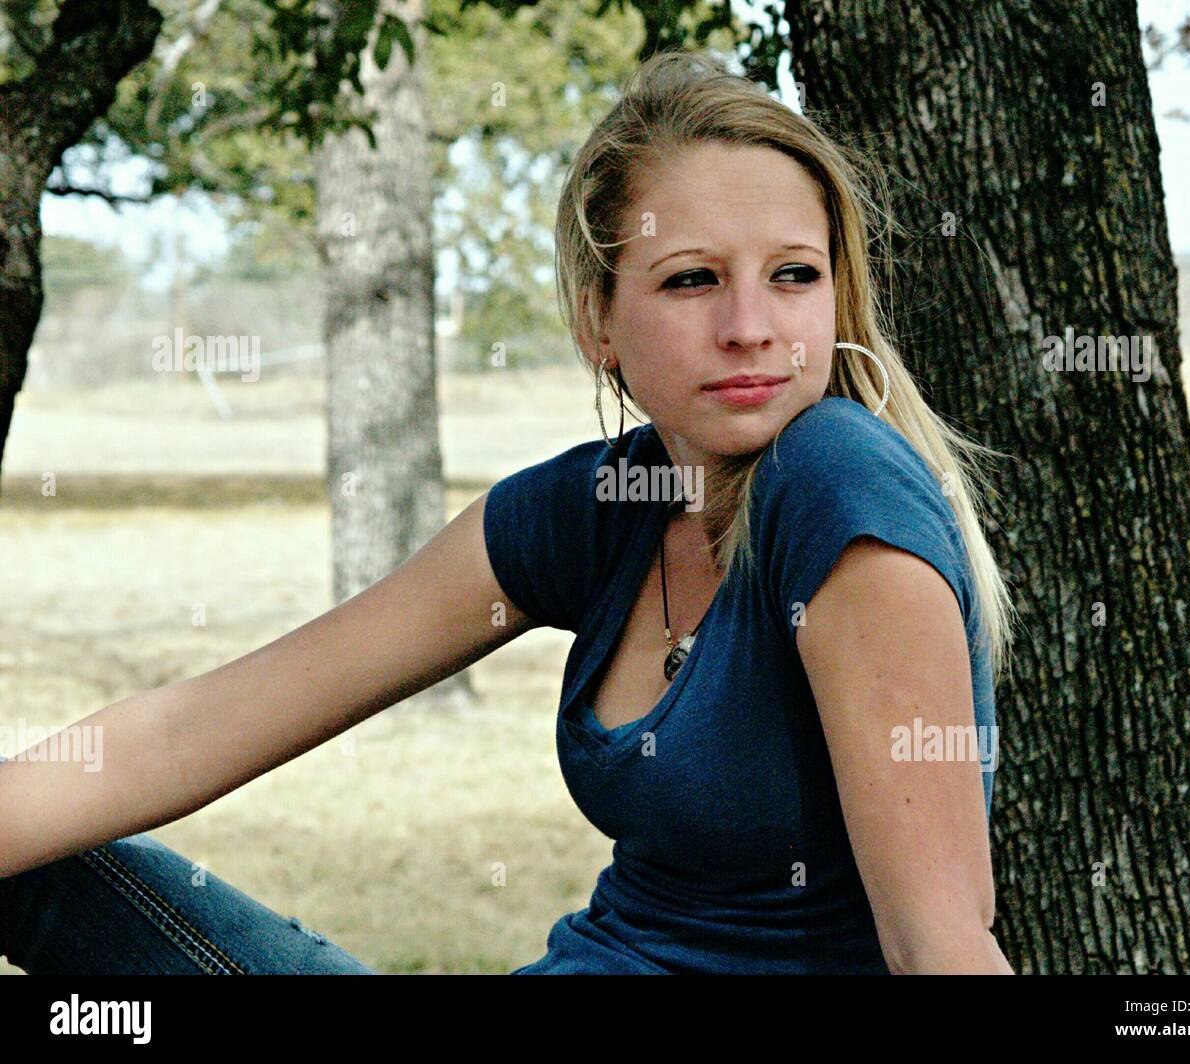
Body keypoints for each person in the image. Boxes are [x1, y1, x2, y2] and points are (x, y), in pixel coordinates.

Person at [0, 50, 1016, 975]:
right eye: (692, 279)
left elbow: (940, 939)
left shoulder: (840, 480)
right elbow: (193, 729)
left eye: (792, 275)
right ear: (598, 322)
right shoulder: (597, 507)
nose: (750, 327)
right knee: (30, 857)